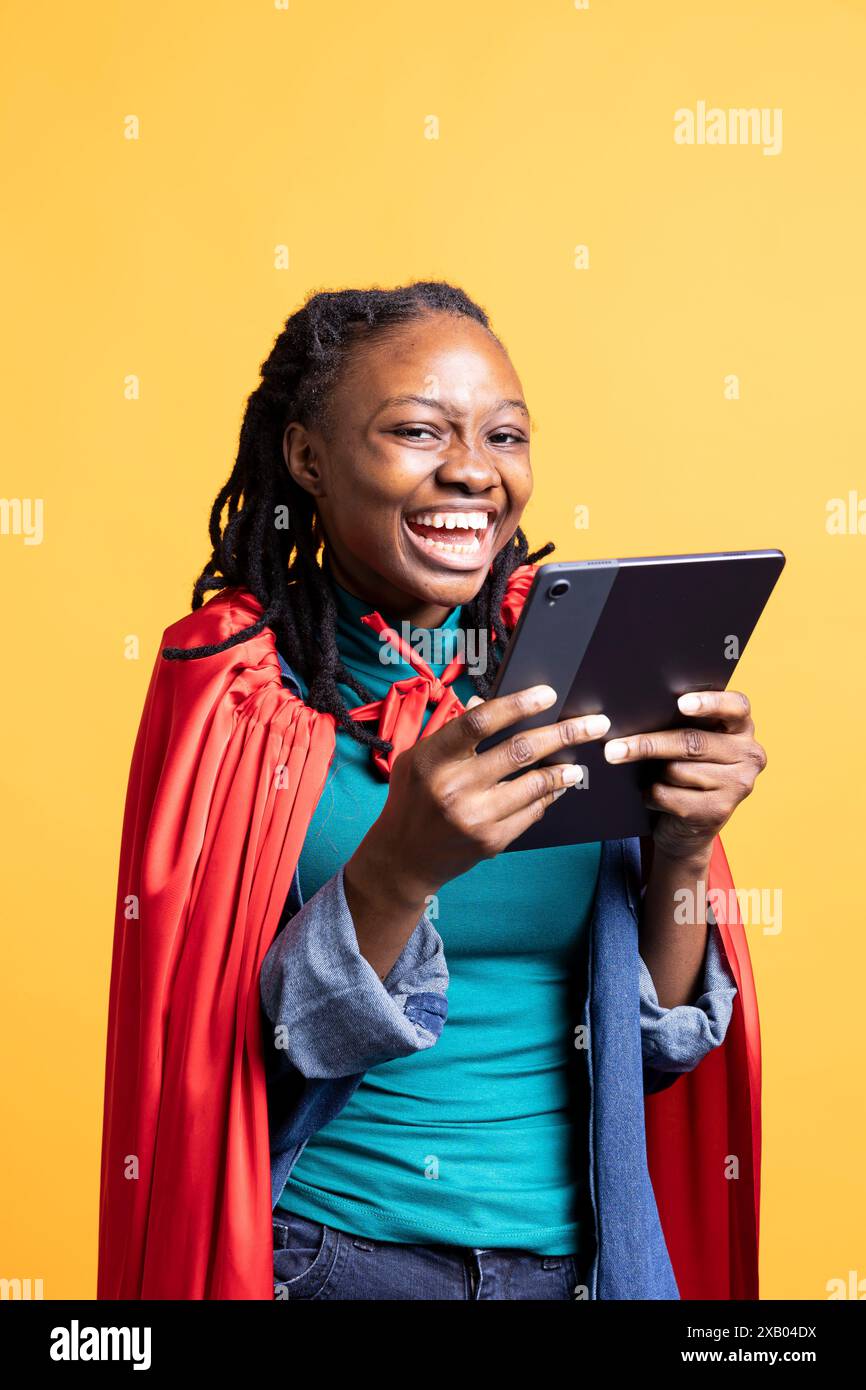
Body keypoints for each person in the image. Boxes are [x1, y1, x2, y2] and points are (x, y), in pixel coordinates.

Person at [98, 282, 764, 1302]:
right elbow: (217, 1070)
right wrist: (397, 872)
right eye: (415, 429)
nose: (471, 470)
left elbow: (652, 1056)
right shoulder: (235, 687)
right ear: (307, 458)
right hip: (330, 1261)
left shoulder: (578, 666)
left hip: (583, 1271)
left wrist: (679, 848)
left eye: (504, 434)